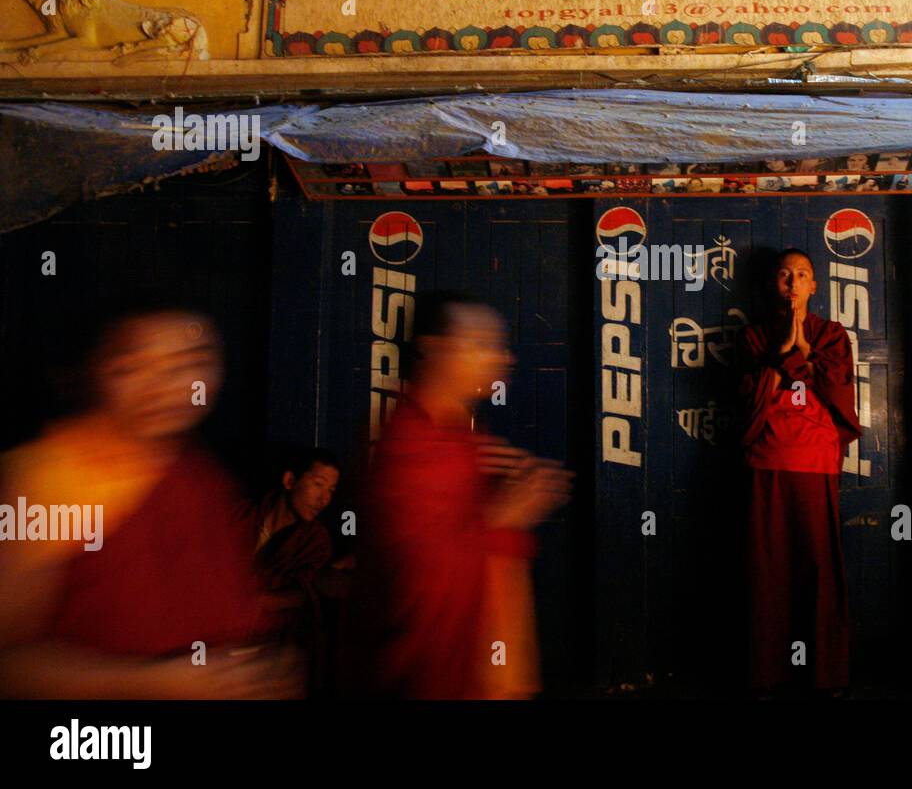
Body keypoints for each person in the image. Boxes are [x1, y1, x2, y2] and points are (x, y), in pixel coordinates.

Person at [0, 302, 296, 698]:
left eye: (190, 363)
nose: (165, 386)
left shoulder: (202, 477)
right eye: (132, 366)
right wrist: (149, 683)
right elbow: (9, 665)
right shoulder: (49, 478)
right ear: (96, 372)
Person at [351, 291, 570, 699]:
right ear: (433, 349)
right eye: (482, 345)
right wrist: (502, 519)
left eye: (500, 346)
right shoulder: (409, 440)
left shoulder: (462, 438)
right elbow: (415, 574)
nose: (503, 358)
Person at [735, 249, 860, 695]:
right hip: (768, 458)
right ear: (775, 284)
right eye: (785, 275)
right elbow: (748, 396)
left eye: (802, 275)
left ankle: (822, 674)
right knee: (767, 565)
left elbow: (837, 386)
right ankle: (768, 673)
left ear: (813, 286)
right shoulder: (753, 336)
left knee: (817, 564)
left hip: (814, 460)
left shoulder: (831, 335)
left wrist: (803, 353)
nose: (793, 283)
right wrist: (782, 356)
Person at [253, 446, 352, 695]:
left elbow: (302, 591)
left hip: (266, 650)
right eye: (318, 484)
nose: (324, 499)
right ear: (290, 480)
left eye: (331, 490)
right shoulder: (243, 515)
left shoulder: (315, 540)